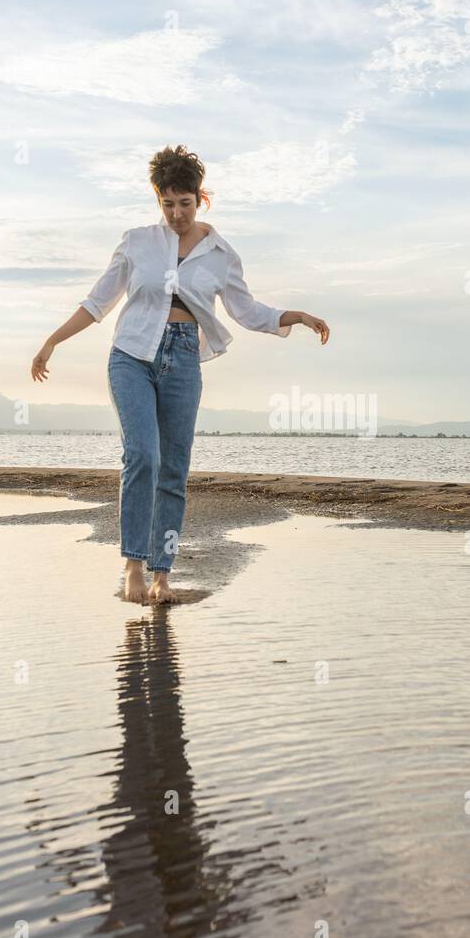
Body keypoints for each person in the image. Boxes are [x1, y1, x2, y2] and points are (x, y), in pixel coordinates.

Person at [31, 144, 330, 603]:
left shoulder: (220, 253)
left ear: (201, 198)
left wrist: (297, 315)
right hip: (131, 356)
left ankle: (161, 575)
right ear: (157, 200)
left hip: (184, 359)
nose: (176, 214)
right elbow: (97, 302)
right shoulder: (136, 242)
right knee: (142, 457)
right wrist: (52, 341)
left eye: (185, 204)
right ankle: (132, 565)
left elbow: (247, 311)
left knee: (173, 471)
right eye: (167, 204)